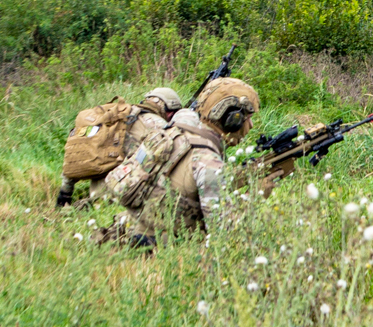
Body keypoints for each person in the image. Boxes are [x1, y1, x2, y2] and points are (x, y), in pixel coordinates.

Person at [100, 75, 260, 243]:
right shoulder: (207, 161)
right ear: (231, 120)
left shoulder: (172, 133)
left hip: (130, 229)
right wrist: (253, 197)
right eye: (247, 118)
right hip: (158, 248)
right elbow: (225, 234)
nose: (251, 126)